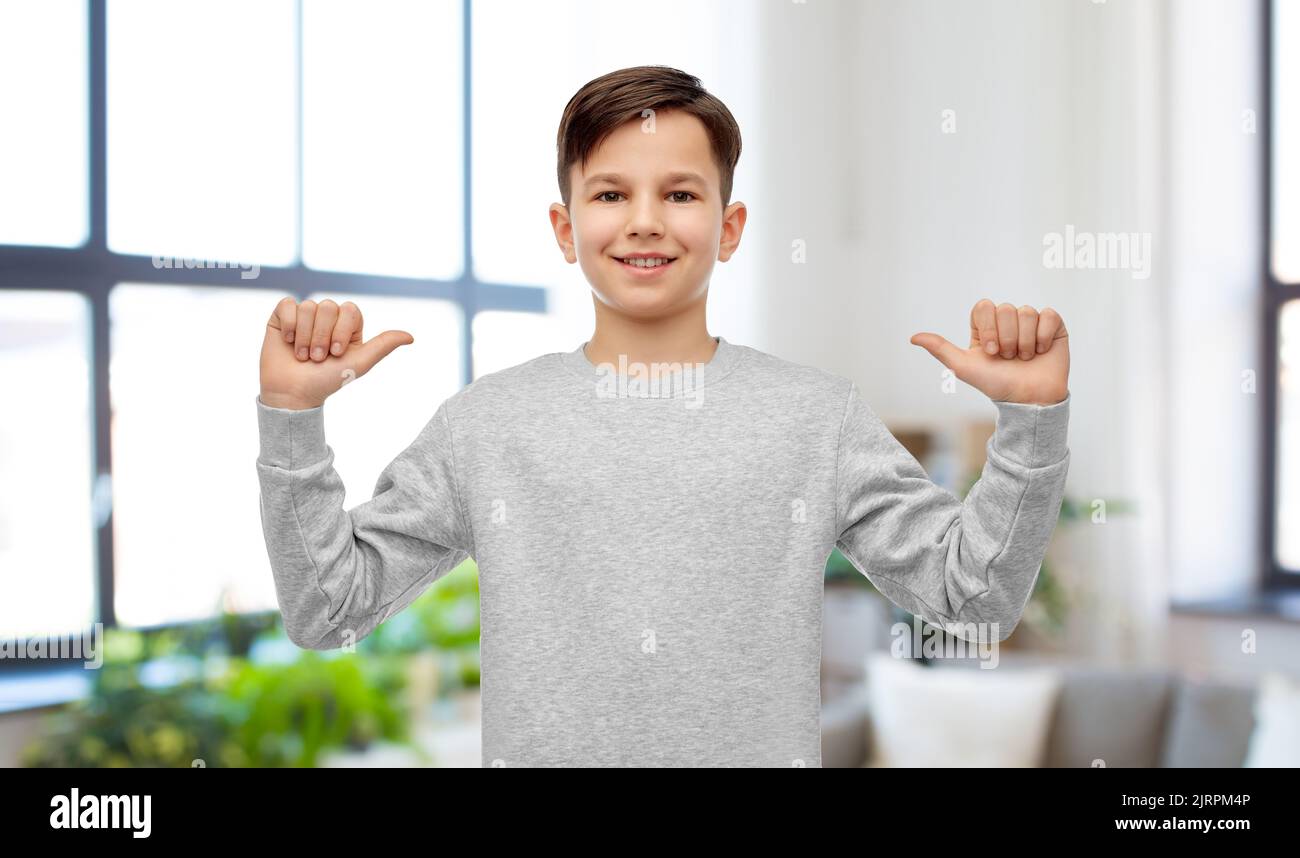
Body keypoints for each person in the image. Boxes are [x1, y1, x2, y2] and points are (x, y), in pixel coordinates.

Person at [255, 65, 1071, 767]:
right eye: (611, 193)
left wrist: (1031, 426)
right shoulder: (488, 423)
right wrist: (292, 417)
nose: (645, 219)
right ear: (565, 230)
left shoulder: (815, 418)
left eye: (679, 193)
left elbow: (975, 602)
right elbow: (330, 611)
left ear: (730, 226)